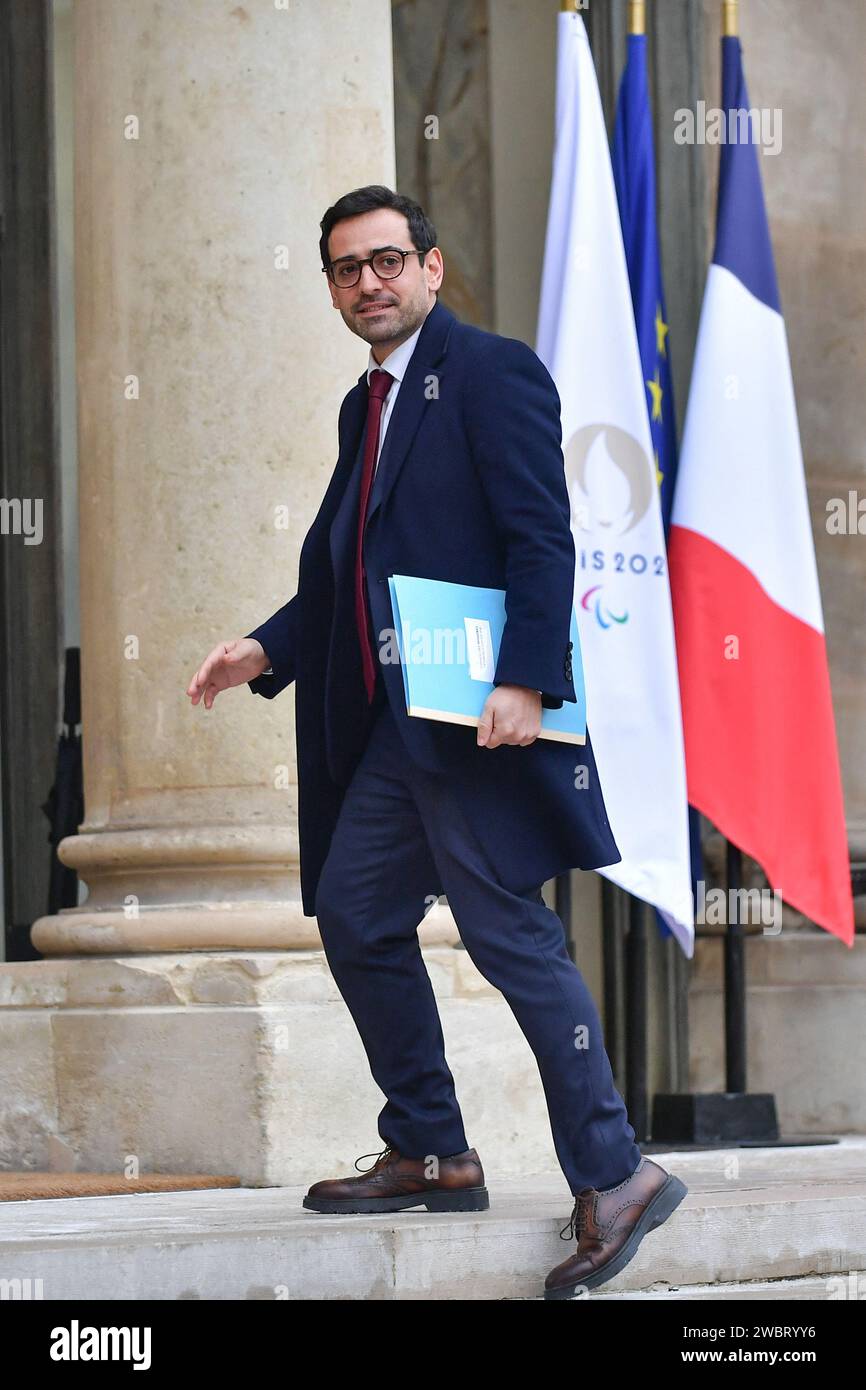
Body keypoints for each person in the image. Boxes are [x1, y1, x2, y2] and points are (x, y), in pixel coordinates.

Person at [186, 185, 687, 1298]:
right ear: (330, 288)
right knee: (359, 917)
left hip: (472, 723)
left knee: (511, 940)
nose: (367, 281)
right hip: (388, 734)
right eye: (345, 268)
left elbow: (539, 533)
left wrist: (525, 677)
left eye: (385, 260)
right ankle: (433, 1147)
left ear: (430, 267)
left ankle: (615, 1174)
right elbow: (344, 572)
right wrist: (264, 650)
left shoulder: (491, 372)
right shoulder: (362, 405)